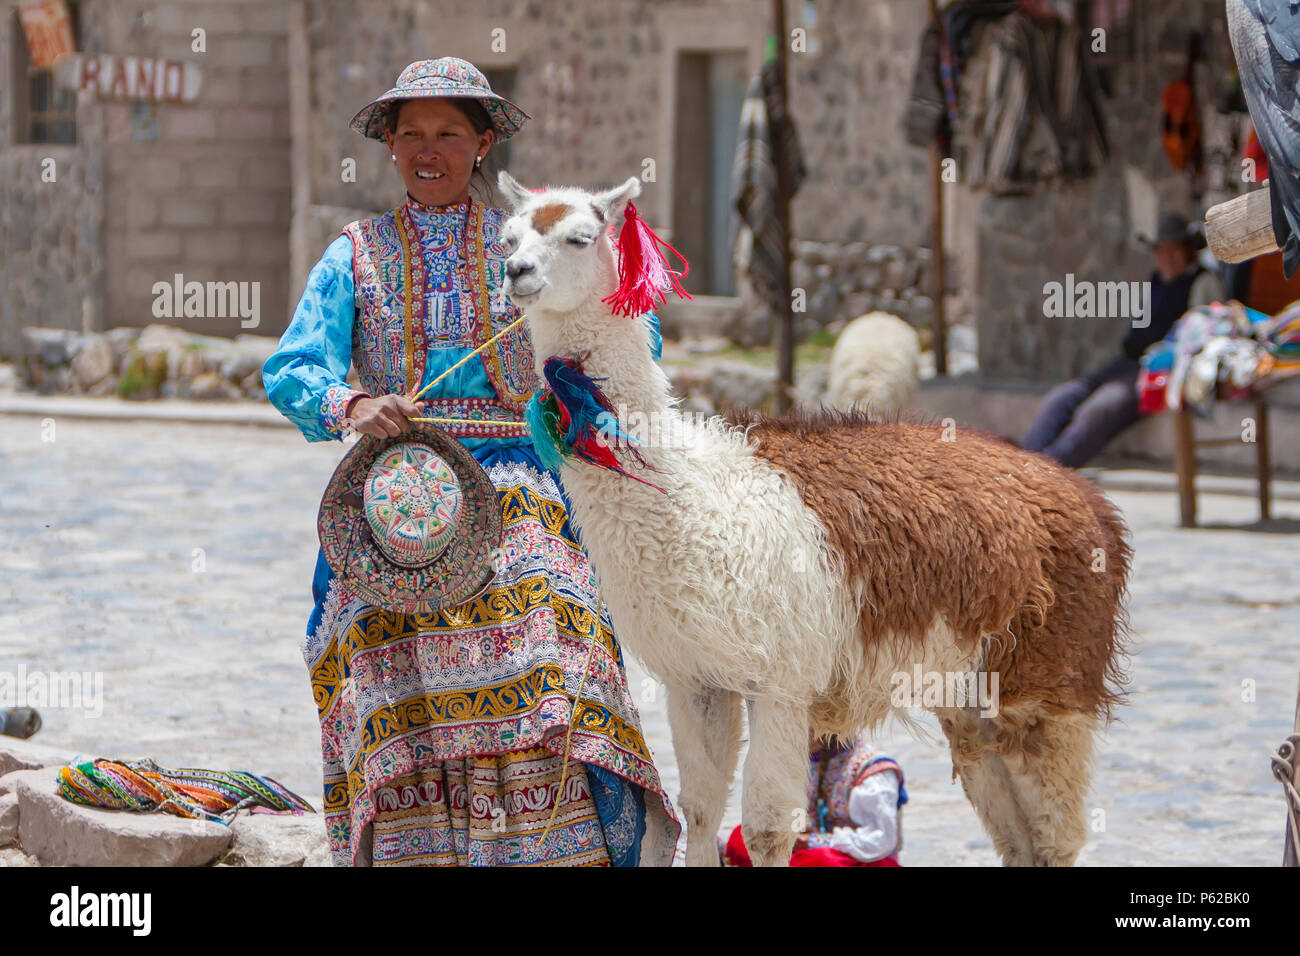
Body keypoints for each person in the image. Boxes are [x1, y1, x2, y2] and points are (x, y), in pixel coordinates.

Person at [262, 58, 679, 866]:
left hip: (524, 478)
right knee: (373, 627)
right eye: (411, 133)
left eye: (449, 133)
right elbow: (293, 366)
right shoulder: (355, 255)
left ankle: (552, 848)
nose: (429, 149)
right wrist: (351, 404)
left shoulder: (528, 241)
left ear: (483, 144)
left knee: (549, 617)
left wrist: (583, 363)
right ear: (389, 146)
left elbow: (628, 326)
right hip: (398, 487)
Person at [1023, 211, 1225, 467]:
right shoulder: (1156, 281)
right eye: (1162, 250)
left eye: (1175, 250)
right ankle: (1023, 463)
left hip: (1161, 370)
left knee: (1099, 409)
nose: (1168, 257)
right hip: (1128, 362)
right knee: (1062, 397)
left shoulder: (1202, 283)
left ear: (1187, 251)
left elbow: (1204, 336)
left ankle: (1050, 470)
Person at [723, 735, 906, 867]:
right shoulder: (798, 761)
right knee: (743, 838)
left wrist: (813, 842)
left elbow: (880, 841)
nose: (803, 730)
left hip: (858, 859)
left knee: (819, 861)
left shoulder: (871, 769)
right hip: (807, 853)